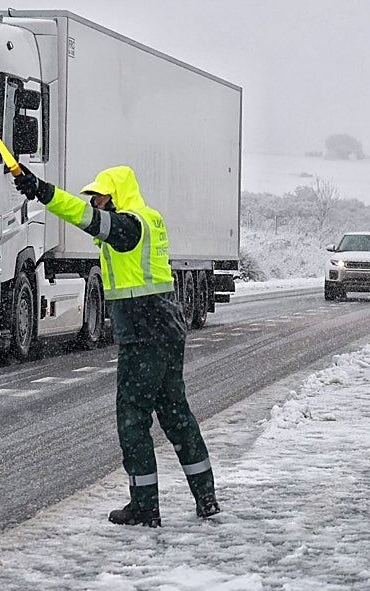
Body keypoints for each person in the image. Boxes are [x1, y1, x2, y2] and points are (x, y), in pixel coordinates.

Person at [12, 163, 220, 528]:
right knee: (176, 415)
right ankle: (206, 497)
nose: (96, 201)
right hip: (165, 328)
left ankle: (144, 506)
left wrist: (42, 190)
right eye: (94, 196)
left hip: (145, 332)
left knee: (133, 419)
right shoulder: (148, 219)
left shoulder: (130, 226)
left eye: (101, 196)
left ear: (117, 194)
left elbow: (83, 216)